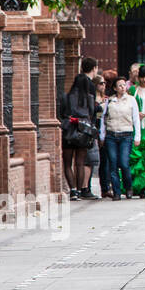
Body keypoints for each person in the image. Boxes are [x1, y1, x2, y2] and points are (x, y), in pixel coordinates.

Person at [59, 57, 100, 201]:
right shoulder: (88, 97)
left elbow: (62, 113)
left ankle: (73, 191)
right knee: (80, 163)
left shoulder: (66, 97)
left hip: (69, 131)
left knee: (67, 163)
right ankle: (82, 189)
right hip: (82, 131)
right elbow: (92, 113)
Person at [102, 76, 141, 200]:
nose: (123, 87)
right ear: (115, 88)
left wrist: (137, 136)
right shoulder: (110, 101)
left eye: (124, 85)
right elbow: (104, 119)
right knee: (113, 164)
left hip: (126, 135)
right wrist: (102, 135)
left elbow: (136, 119)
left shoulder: (131, 100)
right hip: (111, 135)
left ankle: (128, 187)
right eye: (120, 85)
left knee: (124, 163)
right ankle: (117, 192)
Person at [130, 65, 145, 197]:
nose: (144, 80)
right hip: (137, 127)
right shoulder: (133, 90)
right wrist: (135, 113)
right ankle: (138, 187)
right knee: (137, 157)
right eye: (141, 77)